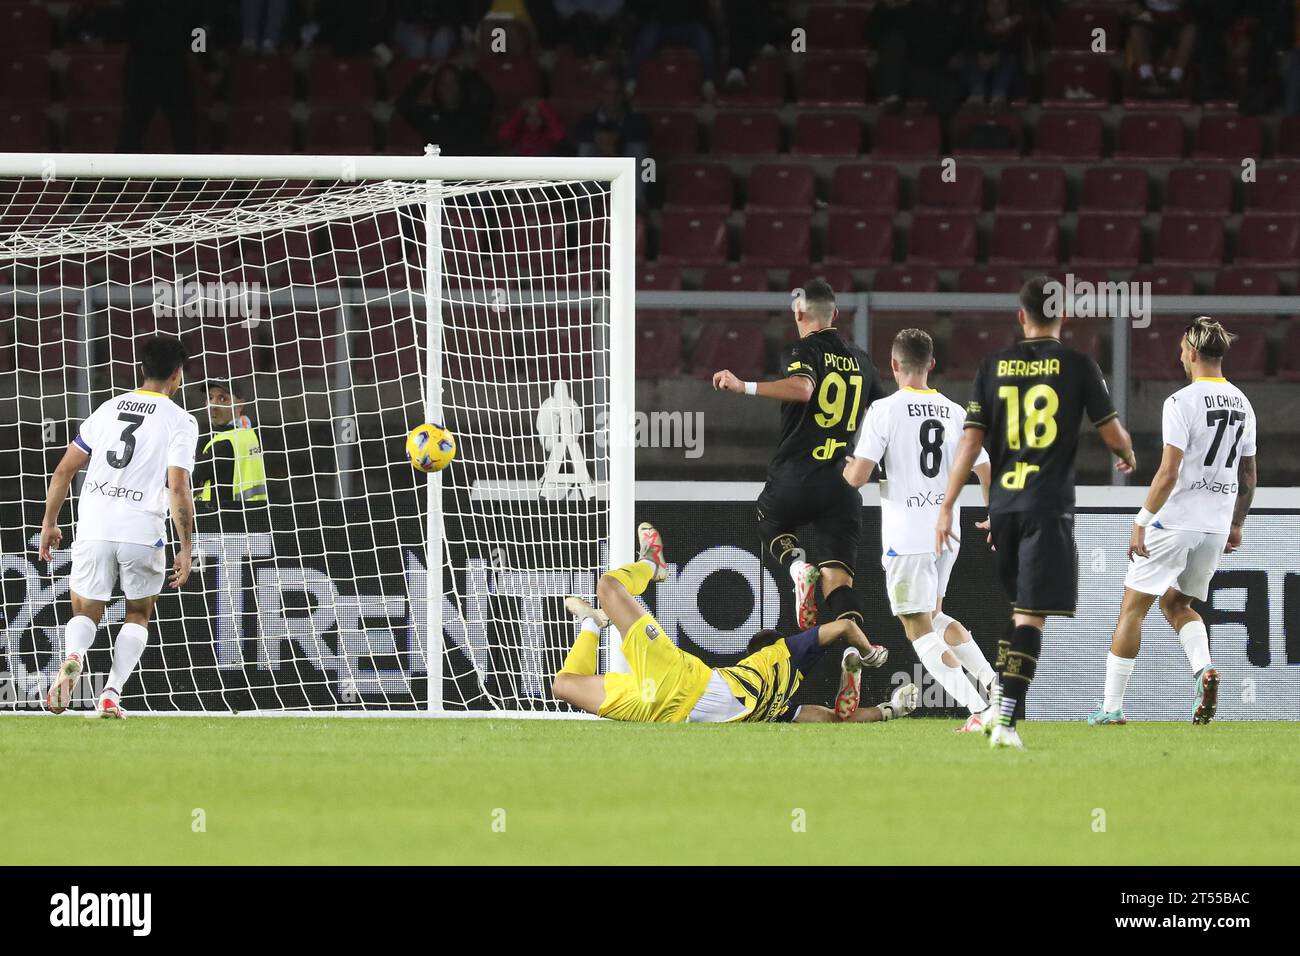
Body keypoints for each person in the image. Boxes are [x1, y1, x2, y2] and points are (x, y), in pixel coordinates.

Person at [935, 276, 1137, 749]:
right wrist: (1125, 452)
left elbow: (971, 441)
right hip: (1047, 507)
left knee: (1022, 613)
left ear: (1021, 316)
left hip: (1003, 509)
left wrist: (947, 503)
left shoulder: (992, 366)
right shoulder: (1078, 366)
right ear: (1062, 316)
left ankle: (999, 712)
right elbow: (1113, 435)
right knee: (1029, 617)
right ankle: (1003, 721)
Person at [551, 521, 918, 724]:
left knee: (609, 587)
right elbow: (836, 719)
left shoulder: (777, 654)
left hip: (678, 688)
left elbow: (842, 628)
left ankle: (652, 564)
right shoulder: (779, 710)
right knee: (565, 686)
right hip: (663, 712)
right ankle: (593, 622)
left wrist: (867, 653)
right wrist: (889, 709)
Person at [1090, 318, 1257, 726]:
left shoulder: (1181, 402)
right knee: (1177, 602)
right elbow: (1248, 476)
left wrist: (1142, 521)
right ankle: (1204, 671)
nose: (1180, 355)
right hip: (1215, 524)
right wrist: (1236, 523)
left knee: (1133, 610)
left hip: (1176, 520)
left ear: (1194, 352)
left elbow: (1168, 472)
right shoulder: (1243, 403)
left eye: (1183, 349)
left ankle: (1111, 708)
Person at [712, 279, 886, 637]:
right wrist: (878, 468)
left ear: (799, 312)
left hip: (795, 479)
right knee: (838, 582)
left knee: (769, 519)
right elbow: (884, 415)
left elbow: (803, 388)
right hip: (842, 484)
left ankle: (795, 567)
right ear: (835, 314)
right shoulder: (862, 361)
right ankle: (858, 651)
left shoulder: (801, 351)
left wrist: (744, 385)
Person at [844, 328, 998, 731]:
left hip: (908, 536)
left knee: (918, 628)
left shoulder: (884, 410)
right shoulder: (955, 411)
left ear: (894, 364)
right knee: (936, 615)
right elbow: (985, 467)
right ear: (931, 365)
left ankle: (980, 710)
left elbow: (856, 478)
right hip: (947, 532)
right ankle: (996, 688)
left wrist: (836, 469)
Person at [40, 336, 199, 719]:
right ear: (177, 375)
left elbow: (63, 470)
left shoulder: (107, 409)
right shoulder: (181, 421)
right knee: (138, 613)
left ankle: (75, 656)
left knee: (84, 611)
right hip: (142, 530)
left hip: (94, 525)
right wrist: (186, 546)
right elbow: (177, 487)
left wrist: (49, 523)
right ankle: (111, 692)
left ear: (142, 369)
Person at [193, 377, 268, 527]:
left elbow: (183, 481)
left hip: (223, 529)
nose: (213, 405)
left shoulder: (224, 444)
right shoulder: (250, 435)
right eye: (210, 398)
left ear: (239, 405)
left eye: (223, 398)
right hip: (255, 525)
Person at [395, 62, 496, 156]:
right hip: (436, 171)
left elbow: (488, 98)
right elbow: (403, 104)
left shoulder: (474, 114)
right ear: (437, 88)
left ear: (461, 86)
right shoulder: (427, 115)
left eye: (453, 82)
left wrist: (468, 72)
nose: (449, 87)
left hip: (469, 171)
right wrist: (427, 75)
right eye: (443, 83)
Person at [497, 97, 566, 156]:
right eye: (530, 117)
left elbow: (559, 135)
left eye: (537, 117)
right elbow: (504, 133)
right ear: (524, 118)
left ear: (544, 119)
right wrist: (522, 110)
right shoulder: (518, 133)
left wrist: (544, 107)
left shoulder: (547, 135)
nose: (533, 120)